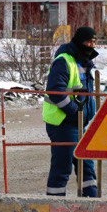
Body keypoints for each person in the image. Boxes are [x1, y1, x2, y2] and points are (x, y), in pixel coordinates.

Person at [43, 26, 99, 197]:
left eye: (94, 42)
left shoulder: (83, 61)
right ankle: (55, 206)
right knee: (63, 166)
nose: (91, 45)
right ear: (79, 42)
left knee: (86, 166)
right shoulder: (64, 61)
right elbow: (55, 91)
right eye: (88, 41)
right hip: (63, 123)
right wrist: (75, 112)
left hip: (80, 124)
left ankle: (91, 203)